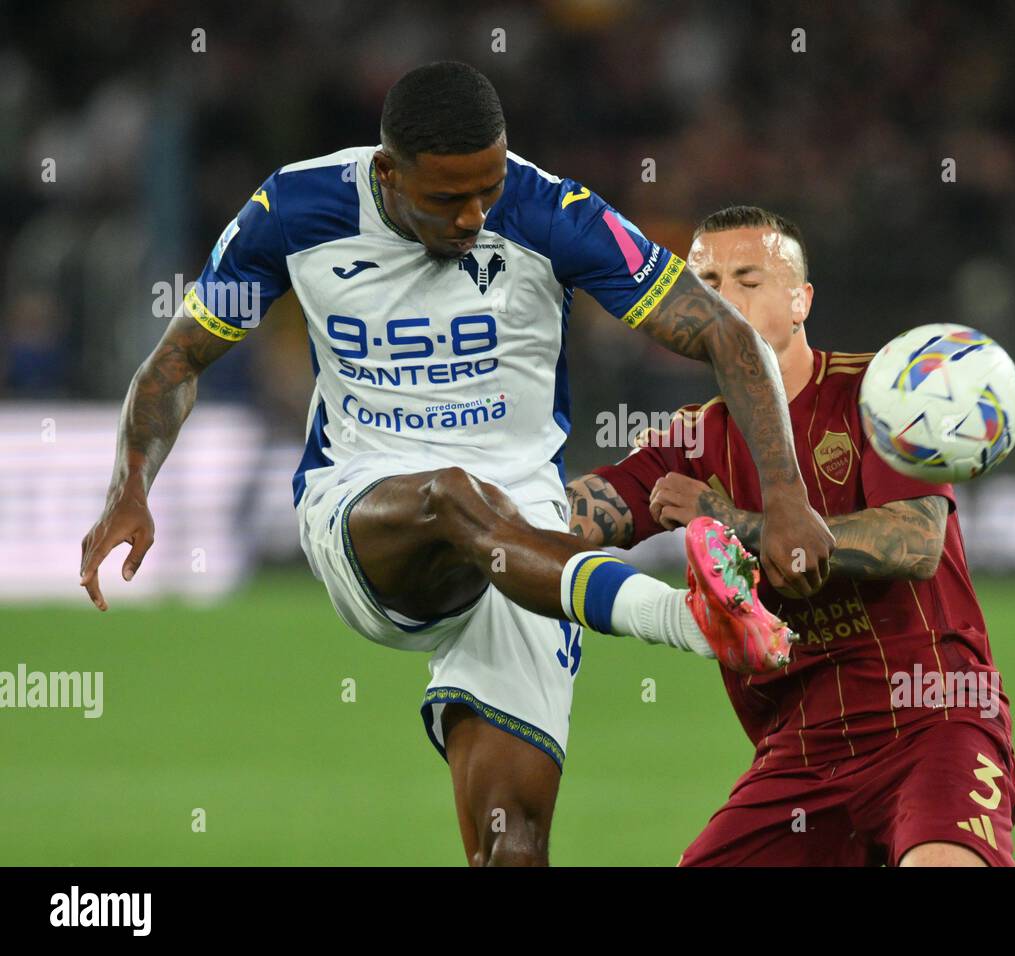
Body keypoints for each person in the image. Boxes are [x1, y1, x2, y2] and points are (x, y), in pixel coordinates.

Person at [78, 64, 834, 867]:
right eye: (447, 199)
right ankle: (690, 620)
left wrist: (787, 496)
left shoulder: (551, 212)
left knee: (513, 845)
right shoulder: (295, 209)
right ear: (386, 173)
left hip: (530, 543)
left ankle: (687, 618)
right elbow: (178, 360)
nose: (476, 215)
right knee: (451, 497)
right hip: (366, 509)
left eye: (489, 188)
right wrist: (130, 487)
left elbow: (724, 333)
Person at [568, 205, 1015, 866]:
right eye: (706, 284)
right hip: (800, 755)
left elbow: (913, 543)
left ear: (801, 299)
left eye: (747, 279)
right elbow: (580, 514)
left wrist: (732, 522)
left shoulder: (880, 392)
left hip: (935, 721)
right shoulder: (691, 441)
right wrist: (475, 503)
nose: (723, 299)